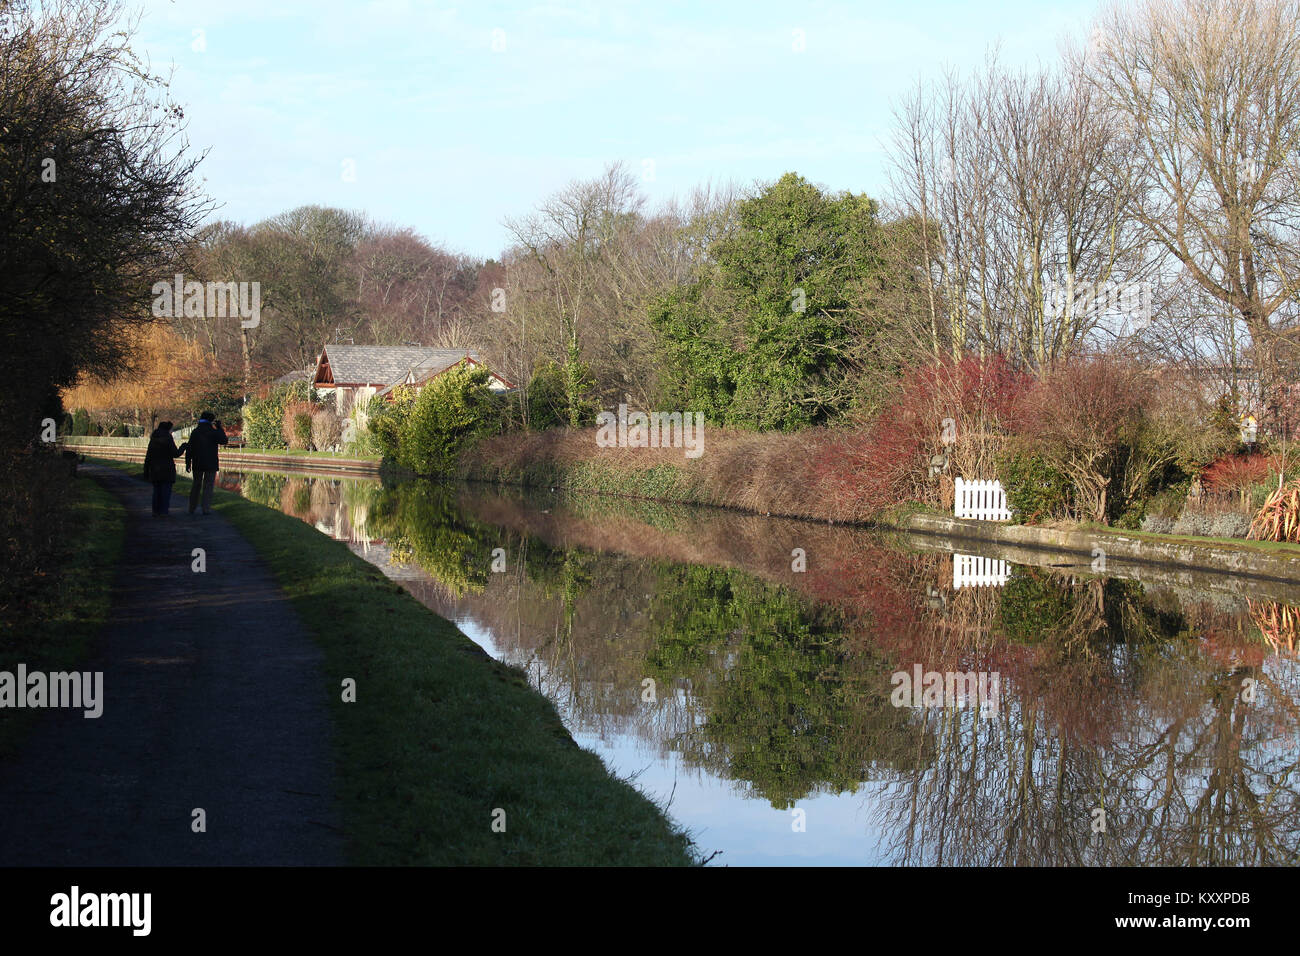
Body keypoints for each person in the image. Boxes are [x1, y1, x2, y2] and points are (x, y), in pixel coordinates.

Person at [185, 411, 228, 516]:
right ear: (211, 421)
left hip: (197, 462)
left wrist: (188, 463)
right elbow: (224, 440)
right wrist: (219, 428)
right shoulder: (213, 432)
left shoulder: (195, 432)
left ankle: (192, 507)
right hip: (211, 463)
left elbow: (190, 449)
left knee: (196, 485)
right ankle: (206, 508)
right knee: (208, 486)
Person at [143, 421, 188, 516]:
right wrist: (183, 447)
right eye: (171, 430)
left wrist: (146, 471)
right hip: (167, 469)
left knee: (156, 491)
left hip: (155, 468)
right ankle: (163, 511)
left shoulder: (153, 439)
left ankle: (155, 511)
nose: (172, 432)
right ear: (168, 429)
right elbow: (175, 453)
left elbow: (148, 456)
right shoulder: (168, 439)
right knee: (166, 491)